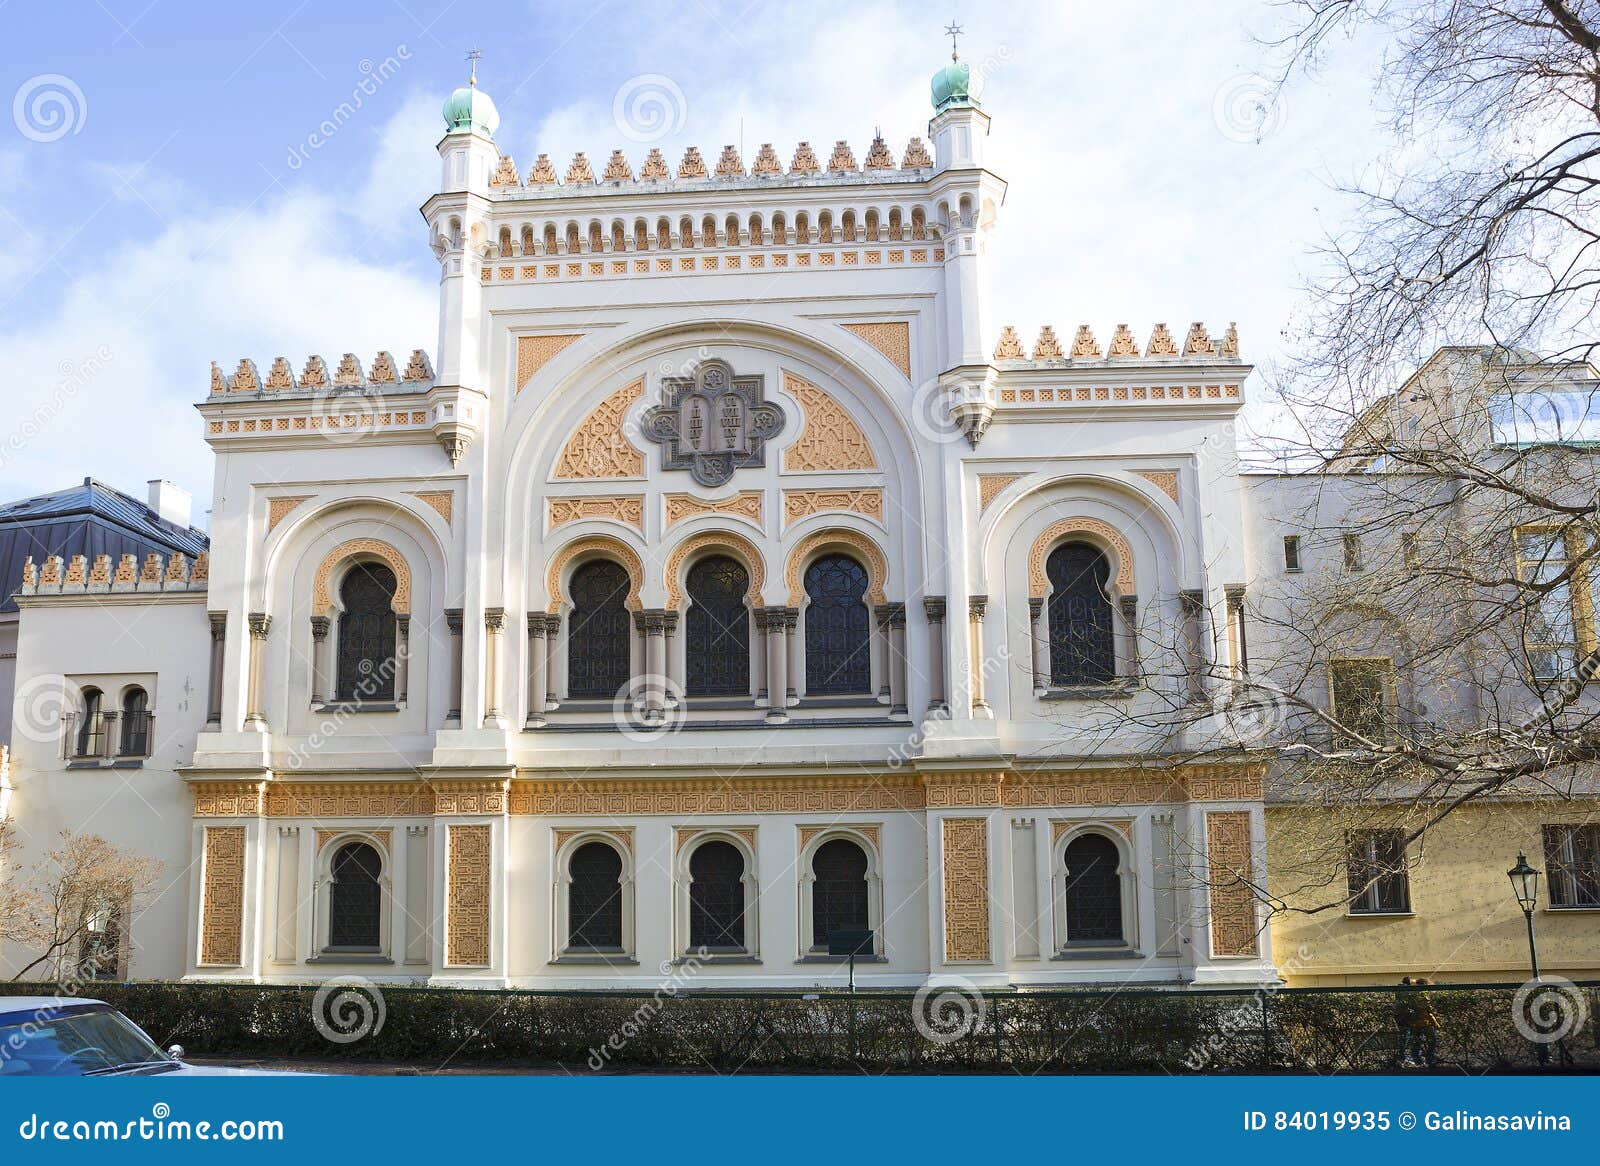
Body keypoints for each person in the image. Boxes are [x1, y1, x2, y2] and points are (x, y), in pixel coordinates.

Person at [1396, 976, 1440, 1067]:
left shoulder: (1407, 993)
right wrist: (1435, 1022)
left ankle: (1418, 1060)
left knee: (1417, 1041)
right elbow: (1427, 1011)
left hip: (1414, 1023)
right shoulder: (1420, 994)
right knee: (1431, 1040)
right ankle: (1428, 1059)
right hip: (1423, 1023)